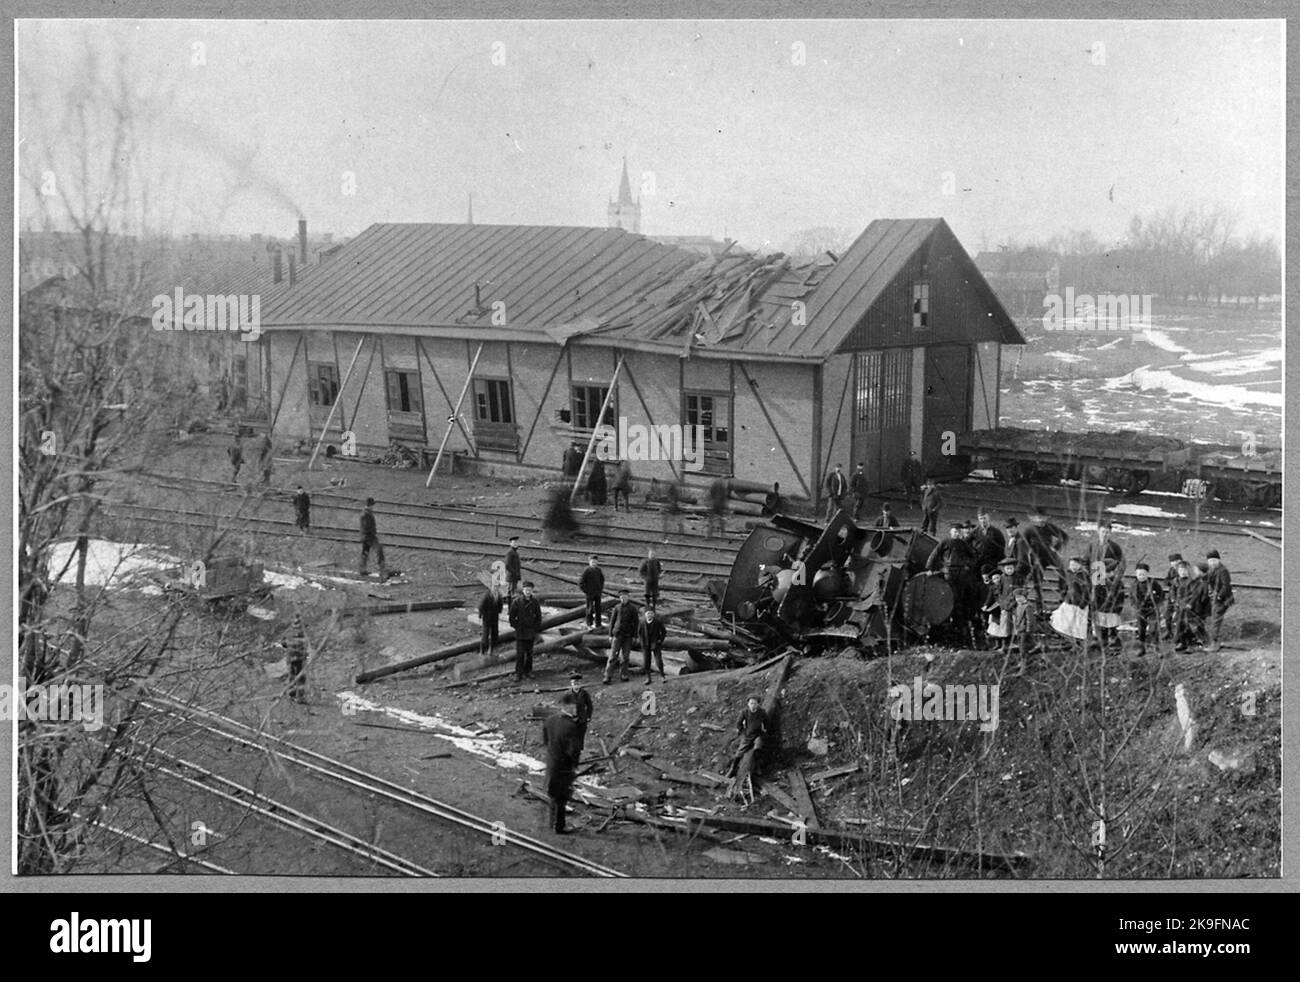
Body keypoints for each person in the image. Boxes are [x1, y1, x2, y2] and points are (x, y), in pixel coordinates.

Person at [926, 522, 978, 646]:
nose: (957, 533)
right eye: (955, 531)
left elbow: (974, 555)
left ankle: (959, 626)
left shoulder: (963, 544)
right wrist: (929, 568)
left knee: (960, 598)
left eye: (958, 531)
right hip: (948, 572)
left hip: (961, 573)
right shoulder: (945, 542)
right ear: (950, 532)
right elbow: (934, 554)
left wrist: (968, 566)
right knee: (951, 596)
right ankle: (950, 624)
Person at [541, 693, 583, 834]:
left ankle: (552, 823)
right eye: (575, 706)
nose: (576, 709)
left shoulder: (549, 720)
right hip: (564, 767)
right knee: (562, 797)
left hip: (551, 762)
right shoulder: (571, 726)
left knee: (552, 794)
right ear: (569, 707)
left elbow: (546, 741)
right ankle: (560, 826)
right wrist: (574, 765)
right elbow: (574, 750)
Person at [725, 696, 768, 779]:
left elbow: (766, 720)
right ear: (748, 704)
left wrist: (765, 729)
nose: (753, 705)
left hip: (758, 734)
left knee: (758, 748)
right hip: (748, 735)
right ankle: (732, 769)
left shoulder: (762, 712)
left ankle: (758, 767)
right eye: (751, 703)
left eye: (755, 703)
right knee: (740, 752)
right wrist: (743, 732)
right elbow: (738, 723)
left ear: (758, 704)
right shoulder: (744, 712)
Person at [508, 581, 543, 681]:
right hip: (520, 632)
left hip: (531, 632)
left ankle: (528, 671)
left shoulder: (535, 602)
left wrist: (535, 627)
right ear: (523, 590)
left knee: (529, 654)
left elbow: (539, 616)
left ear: (532, 591)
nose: (528, 592)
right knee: (520, 654)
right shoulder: (517, 602)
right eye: (526, 590)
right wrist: (517, 627)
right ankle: (518, 673)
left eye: (530, 590)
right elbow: (511, 617)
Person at [1169, 560, 1206, 652]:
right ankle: (1182, 642)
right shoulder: (1176, 581)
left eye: (1184, 570)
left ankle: (1192, 643)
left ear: (1188, 571)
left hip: (1191, 607)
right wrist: (1174, 600)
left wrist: (1189, 604)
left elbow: (1195, 594)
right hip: (1179, 606)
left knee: (1189, 624)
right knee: (1179, 624)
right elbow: (1172, 591)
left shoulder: (1193, 581)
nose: (1183, 572)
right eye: (1180, 570)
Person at [1203, 549, 1234, 653]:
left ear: (1219, 560)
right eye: (1210, 560)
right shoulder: (1212, 569)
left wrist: (1219, 596)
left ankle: (1214, 644)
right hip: (1215, 599)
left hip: (1222, 599)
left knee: (1215, 621)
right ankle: (1214, 641)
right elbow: (1206, 577)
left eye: (1214, 560)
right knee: (1215, 620)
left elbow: (1226, 586)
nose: (1212, 562)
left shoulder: (1223, 570)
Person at [604, 590, 638, 684]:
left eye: (625, 597)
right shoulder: (617, 607)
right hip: (617, 634)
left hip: (628, 636)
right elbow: (612, 621)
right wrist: (610, 634)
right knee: (613, 656)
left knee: (625, 656)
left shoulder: (632, 608)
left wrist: (635, 635)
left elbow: (636, 622)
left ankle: (624, 674)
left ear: (628, 597)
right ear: (620, 598)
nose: (623, 598)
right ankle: (608, 676)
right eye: (622, 597)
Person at [1092, 558, 1125, 654]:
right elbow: (1096, 597)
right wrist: (1096, 608)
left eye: (1110, 572)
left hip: (1112, 610)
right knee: (1103, 630)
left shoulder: (1118, 583)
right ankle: (1104, 646)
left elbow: (1120, 597)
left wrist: (1118, 609)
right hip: (1101, 610)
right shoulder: (1099, 582)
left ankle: (1116, 647)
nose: (1108, 574)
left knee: (1113, 629)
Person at [1132, 562, 1164, 657]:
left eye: (1143, 574)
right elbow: (1131, 597)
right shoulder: (1134, 585)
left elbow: (1161, 594)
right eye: (1139, 574)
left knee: (1154, 629)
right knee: (1141, 630)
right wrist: (1135, 606)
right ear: (1136, 574)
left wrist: (1158, 604)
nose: (1141, 576)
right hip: (1140, 610)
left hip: (1152, 609)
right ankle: (1141, 648)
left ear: (1147, 574)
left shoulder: (1154, 584)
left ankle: (1156, 648)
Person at [359, 497, 388, 581]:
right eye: (373, 505)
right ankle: (382, 570)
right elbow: (366, 527)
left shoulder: (367, 513)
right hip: (369, 536)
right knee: (379, 550)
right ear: (370, 505)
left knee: (365, 552)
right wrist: (374, 532)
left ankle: (362, 570)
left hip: (366, 536)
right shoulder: (365, 514)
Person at [637, 606, 668, 684]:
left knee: (658, 661)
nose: (649, 615)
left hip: (655, 644)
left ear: (653, 615)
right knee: (646, 662)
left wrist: (660, 640)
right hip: (645, 644)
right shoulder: (642, 622)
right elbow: (639, 632)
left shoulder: (657, 622)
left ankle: (662, 676)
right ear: (645, 615)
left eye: (651, 613)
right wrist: (641, 642)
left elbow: (664, 632)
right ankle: (648, 678)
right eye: (648, 613)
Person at [568, 673, 594, 755]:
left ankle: (580, 751)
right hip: (571, 720)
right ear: (571, 684)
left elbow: (590, 706)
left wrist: (588, 716)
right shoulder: (568, 694)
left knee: (581, 735)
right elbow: (563, 707)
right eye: (574, 683)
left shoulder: (584, 693)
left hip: (582, 719)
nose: (576, 685)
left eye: (578, 683)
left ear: (580, 684)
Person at [285, 614, 308, 704]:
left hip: (291, 659)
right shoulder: (303, 637)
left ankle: (292, 693)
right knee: (301, 678)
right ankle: (300, 697)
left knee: (292, 676)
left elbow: (284, 644)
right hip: (299, 660)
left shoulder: (289, 634)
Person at [578, 555, 605, 628]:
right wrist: (586, 591)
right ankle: (589, 623)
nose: (594, 563)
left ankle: (598, 623)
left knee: (598, 609)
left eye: (595, 562)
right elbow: (581, 582)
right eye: (592, 562)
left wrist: (600, 589)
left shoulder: (599, 570)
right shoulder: (587, 570)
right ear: (589, 562)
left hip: (597, 593)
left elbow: (602, 580)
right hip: (590, 593)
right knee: (589, 608)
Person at [1163, 553, 1184, 641]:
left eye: (1177, 561)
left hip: (1181, 596)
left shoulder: (1184, 570)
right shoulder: (1171, 570)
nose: (1175, 563)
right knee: (1167, 615)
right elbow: (1166, 580)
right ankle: (1169, 632)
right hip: (1171, 595)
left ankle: (1179, 636)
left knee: (1179, 617)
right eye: (1172, 561)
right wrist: (1172, 582)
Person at [477, 585, 503, 655]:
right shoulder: (487, 595)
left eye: (497, 587)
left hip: (495, 616)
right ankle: (481, 650)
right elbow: (481, 606)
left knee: (494, 634)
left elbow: (501, 604)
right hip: (487, 617)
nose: (496, 588)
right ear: (491, 587)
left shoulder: (499, 595)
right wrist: (481, 615)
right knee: (485, 634)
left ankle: (491, 649)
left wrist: (499, 611)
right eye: (494, 587)